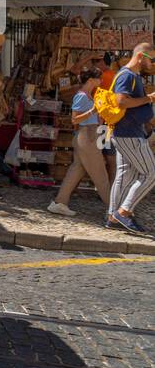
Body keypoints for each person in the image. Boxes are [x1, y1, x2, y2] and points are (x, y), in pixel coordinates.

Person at [105, 43, 155, 233]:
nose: (153, 63)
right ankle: (124, 212)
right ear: (141, 56)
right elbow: (121, 102)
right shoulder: (127, 75)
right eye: (152, 59)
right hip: (129, 134)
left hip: (127, 132)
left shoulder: (132, 75)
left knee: (124, 176)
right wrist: (149, 98)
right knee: (150, 174)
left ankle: (112, 217)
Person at [48, 69, 110, 216]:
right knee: (100, 175)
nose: (101, 81)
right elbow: (74, 120)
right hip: (87, 136)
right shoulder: (81, 96)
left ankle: (60, 202)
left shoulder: (88, 95)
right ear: (91, 80)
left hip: (89, 135)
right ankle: (115, 210)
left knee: (76, 171)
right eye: (99, 78)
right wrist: (93, 111)